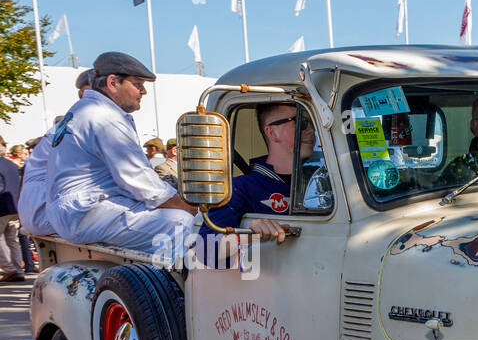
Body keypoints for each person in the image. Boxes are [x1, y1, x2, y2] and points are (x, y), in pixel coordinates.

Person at [46, 51, 197, 255]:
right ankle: (168, 285)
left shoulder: (83, 110)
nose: (143, 91)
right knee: (181, 222)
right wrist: (187, 206)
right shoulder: (104, 117)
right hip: (85, 212)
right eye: (137, 84)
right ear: (113, 82)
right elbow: (136, 177)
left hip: (76, 210)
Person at [204, 103, 324, 247]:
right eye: (301, 122)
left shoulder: (322, 180)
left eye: (312, 122)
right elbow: (206, 247)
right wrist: (248, 235)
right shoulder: (240, 188)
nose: (311, 130)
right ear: (271, 132)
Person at [17, 69, 93, 262]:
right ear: (82, 94)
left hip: (40, 213)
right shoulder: (83, 126)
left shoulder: (65, 127)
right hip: (52, 214)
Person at [0, 147, 23, 282]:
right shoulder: (11, 164)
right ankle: (18, 270)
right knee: (13, 240)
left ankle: (9, 269)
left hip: (2, 206)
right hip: (15, 206)